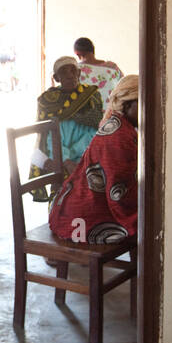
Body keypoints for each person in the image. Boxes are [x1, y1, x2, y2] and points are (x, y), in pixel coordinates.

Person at [49, 75, 139, 243]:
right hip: (79, 218)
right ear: (127, 105)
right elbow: (118, 194)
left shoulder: (122, 127)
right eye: (143, 104)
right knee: (153, 222)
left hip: (76, 207)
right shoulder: (118, 136)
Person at [28, 55, 103, 202]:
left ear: (79, 74)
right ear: (56, 78)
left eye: (73, 71)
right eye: (64, 72)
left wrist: (79, 159)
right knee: (61, 180)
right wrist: (67, 161)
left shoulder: (90, 95)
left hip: (87, 155)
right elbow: (49, 138)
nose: (70, 75)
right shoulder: (49, 100)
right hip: (59, 155)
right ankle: (60, 213)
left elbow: (95, 130)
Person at [74, 36, 124, 104]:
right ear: (92, 50)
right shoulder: (113, 67)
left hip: (86, 112)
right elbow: (124, 87)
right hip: (111, 112)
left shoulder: (75, 69)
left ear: (77, 53)